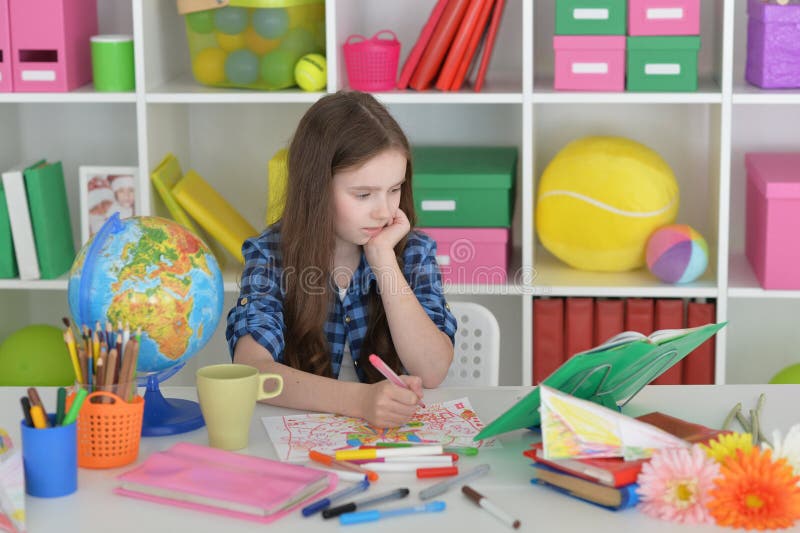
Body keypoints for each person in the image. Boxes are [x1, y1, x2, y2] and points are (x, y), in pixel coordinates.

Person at [227, 91, 457, 428]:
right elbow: (252, 371)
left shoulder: (412, 251)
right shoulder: (270, 255)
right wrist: (360, 400)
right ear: (316, 189)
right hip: (304, 438)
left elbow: (433, 370)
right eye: (363, 194)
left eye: (395, 189)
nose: (385, 211)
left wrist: (383, 260)